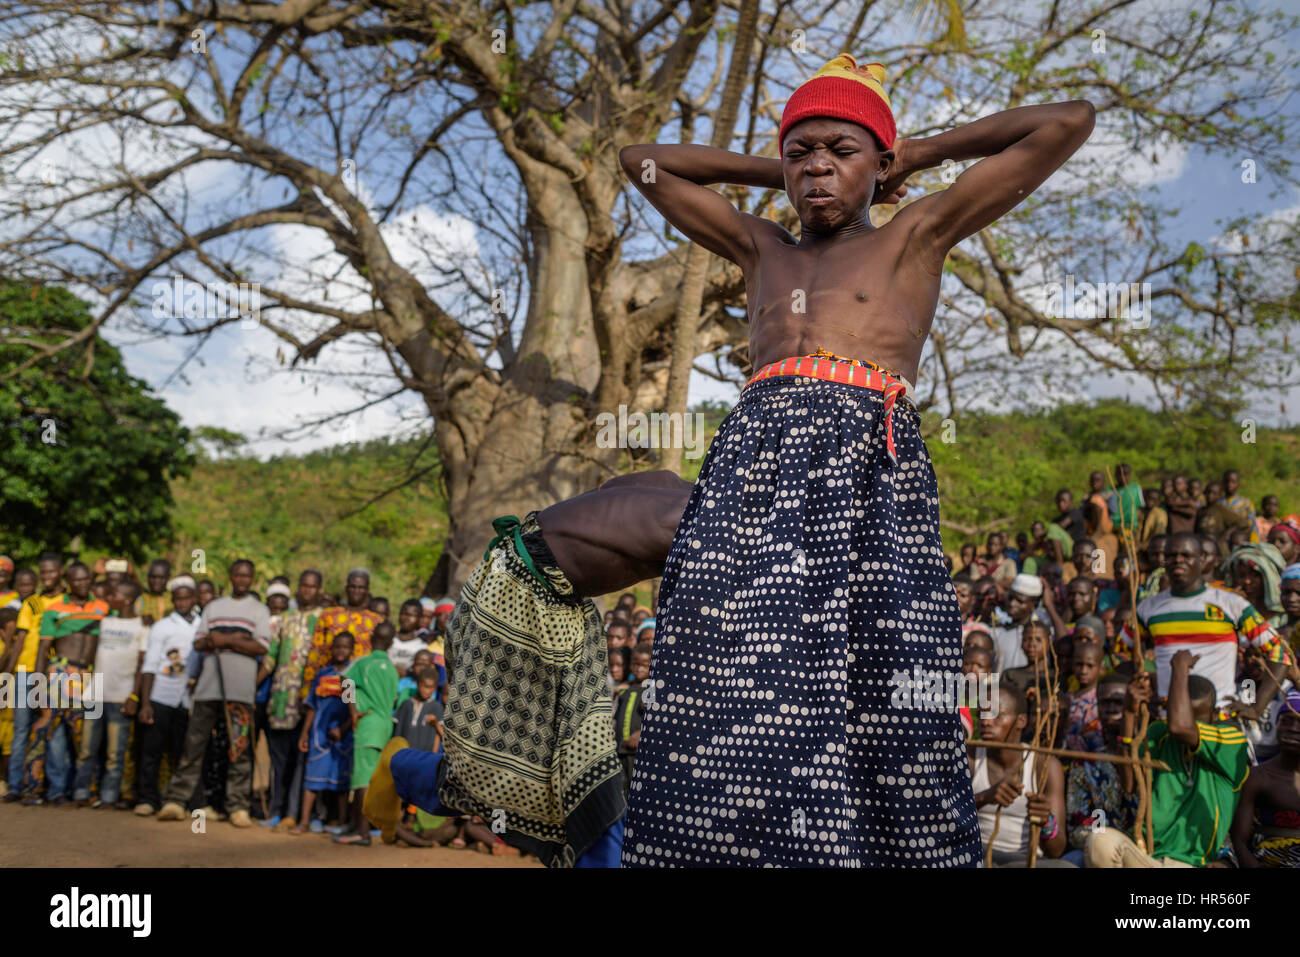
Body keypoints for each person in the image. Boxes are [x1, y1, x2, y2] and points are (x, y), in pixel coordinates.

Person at [615, 53, 1095, 865]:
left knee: (885, 678)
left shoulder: (918, 230)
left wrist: (917, 151)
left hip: (866, 466)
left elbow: (1068, 121)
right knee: (723, 665)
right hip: (755, 467)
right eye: (803, 154)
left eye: (841, 151)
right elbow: (643, 164)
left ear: (879, 161)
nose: (818, 170)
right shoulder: (761, 244)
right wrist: (783, 159)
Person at [364, 470, 691, 866]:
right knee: (519, 775)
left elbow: (619, 487)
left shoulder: (682, 492)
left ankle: (403, 770)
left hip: (562, 608)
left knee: (572, 775)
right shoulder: (704, 519)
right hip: (515, 593)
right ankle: (400, 768)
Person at [1086, 653, 1249, 867]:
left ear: (1215, 716)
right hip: (1149, 859)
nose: (1187, 722)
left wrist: (1179, 668)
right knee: (1099, 840)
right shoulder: (1159, 733)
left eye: (1196, 718)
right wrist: (1128, 712)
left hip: (1194, 864)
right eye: (1176, 711)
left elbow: (1180, 726)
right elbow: (1130, 784)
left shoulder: (1230, 741)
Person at [155, 559, 271, 828]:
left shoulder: (259, 610)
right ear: (231, 576)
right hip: (209, 687)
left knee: (238, 748)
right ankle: (177, 800)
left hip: (240, 690)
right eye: (238, 574)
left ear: (252, 579)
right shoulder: (215, 607)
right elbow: (198, 641)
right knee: (194, 744)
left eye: (247, 576)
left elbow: (261, 646)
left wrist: (227, 641)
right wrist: (210, 641)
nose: (242, 579)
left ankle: (238, 805)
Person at [1123, 532, 1289, 712]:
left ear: (1201, 559)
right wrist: (1148, 680)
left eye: (1186, 555)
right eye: (1171, 556)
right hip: (1167, 720)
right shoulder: (1148, 608)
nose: (1178, 560)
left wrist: (1257, 708)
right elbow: (1119, 652)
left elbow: (1279, 652)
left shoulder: (1232, 604)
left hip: (1220, 722)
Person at [22, 562, 108, 805]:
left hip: (91, 677)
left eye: (85, 579)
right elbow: (42, 649)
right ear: (68, 582)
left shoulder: (102, 608)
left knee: (87, 736)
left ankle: (87, 792)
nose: (81, 584)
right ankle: (35, 790)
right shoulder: (54, 609)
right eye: (76, 580)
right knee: (44, 731)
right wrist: (37, 688)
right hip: (59, 672)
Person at [970, 684, 1072, 867]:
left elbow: (1057, 850)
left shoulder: (1044, 766)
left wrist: (1046, 821)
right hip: (976, 853)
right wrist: (985, 797)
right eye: (981, 715)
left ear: (1021, 721)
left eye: (995, 714)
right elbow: (942, 819)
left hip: (1025, 860)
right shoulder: (969, 758)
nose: (985, 722)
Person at [259, 569, 325, 831]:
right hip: (280, 699)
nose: (307, 590)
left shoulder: (324, 619)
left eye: (312, 586)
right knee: (279, 760)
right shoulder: (284, 619)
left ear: (319, 590)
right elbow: (271, 658)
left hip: (309, 703)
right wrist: (251, 688)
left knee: (304, 760)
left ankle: (297, 813)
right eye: (303, 586)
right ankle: (277, 810)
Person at [73, 580, 148, 809]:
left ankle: (109, 796)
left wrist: (134, 696)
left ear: (126, 600)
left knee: (115, 753)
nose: (109, 597)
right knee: (87, 749)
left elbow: (142, 665)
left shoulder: (143, 627)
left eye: (114, 594)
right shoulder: (104, 622)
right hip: (95, 693)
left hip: (121, 697)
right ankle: (81, 793)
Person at [135, 576, 200, 815]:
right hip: (161, 696)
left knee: (186, 753)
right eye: (178, 598)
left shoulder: (202, 626)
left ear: (193, 598)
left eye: (186, 597)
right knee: (151, 751)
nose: (182, 602)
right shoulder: (162, 626)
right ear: (172, 600)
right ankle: (147, 799)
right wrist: (145, 703)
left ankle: (186, 801)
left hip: (189, 700)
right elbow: (149, 665)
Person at [3, 554, 63, 802]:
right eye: (44, 572)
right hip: (25, 673)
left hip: (55, 673)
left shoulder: (66, 602)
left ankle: (56, 788)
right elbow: (21, 642)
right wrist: (8, 672)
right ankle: (16, 785)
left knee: (54, 732)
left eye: (51, 572)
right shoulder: (33, 604)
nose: (47, 577)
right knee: (21, 730)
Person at [333, 622, 399, 846]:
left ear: (371, 639)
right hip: (384, 726)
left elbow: (344, 680)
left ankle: (362, 833)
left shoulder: (364, 662)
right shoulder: (392, 669)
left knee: (363, 780)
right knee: (368, 776)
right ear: (390, 643)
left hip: (367, 724)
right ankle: (356, 826)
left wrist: (351, 710)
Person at [1064, 672, 1138, 859]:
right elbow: (1078, 825)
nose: (1111, 708)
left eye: (1119, 702)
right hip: (1099, 850)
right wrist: (1103, 840)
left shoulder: (1150, 758)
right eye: (1105, 703)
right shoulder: (1085, 763)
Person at [292, 631, 354, 836]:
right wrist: (305, 733)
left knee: (340, 783)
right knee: (311, 779)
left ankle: (342, 822)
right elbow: (312, 706)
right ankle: (304, 822)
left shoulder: (352, 675)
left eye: (345, 647)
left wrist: (343, 729)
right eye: (337, 647)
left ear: (351, 650)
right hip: (319, 735)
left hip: (342, 738)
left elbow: (353, 708)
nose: (340, 651)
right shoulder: (323, 674)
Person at [1230, 691, 1300, 867]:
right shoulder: (1258, 777)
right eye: (1286, 720)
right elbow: (1239, 842)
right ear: (1276, 725)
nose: (1293, 728)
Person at [302, 569, 380, 707]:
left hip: (359, 692)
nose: (356, 591)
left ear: (367, 591)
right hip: (328, 689)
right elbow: (316, 654)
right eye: (353, 587)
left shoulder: (375, 621)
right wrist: (307, 693)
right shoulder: (329, 616)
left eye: (361, 587)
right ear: (346, 589)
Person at [612, 643, 652, 799]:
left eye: (644, 665)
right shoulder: (625, 688)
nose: (639, 668)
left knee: (635, 792)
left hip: (637, 752)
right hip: (620, 749)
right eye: (636, 664)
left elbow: (652, 716)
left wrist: (642, 735)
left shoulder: (650, 687)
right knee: (621, 791)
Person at [989, 574, 1045, 672]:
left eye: (1019, 601)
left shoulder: (1040, 633)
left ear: (1034, 604)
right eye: (1010, 598)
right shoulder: (996, 631)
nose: (1012, 604)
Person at [1063, 642, 1105, 753]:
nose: (1083, 671)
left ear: (1101, 667)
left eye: (1090, 665)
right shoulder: (1066, 699)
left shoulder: (1102, 700)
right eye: (1079, 664)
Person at [394, 667, 443, 753]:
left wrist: (435, 723)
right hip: (404, 753)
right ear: (417, 684)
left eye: (430, 687)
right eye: (424, 686)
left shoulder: (437, 707)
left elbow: (438, 736)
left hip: (424, 756)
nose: (426, 691)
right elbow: (397, 731)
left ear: (435, 688)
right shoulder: (407, 704)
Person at [389, 599, 428, 676]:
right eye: (404, 614)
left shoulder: (422, 647)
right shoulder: (388, 639)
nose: (406, 618)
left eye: (411, 615)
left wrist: (407, 673)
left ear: (419, 619)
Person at [1218, 470, 1257, 538]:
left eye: (1233, 482)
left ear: (1238, 483)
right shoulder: (1218, 503)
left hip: (1241, 538)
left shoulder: (1246, 503)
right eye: (1227, 481)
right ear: (1223, 483)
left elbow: (1250, 523)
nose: (1229, 484)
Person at [138, 560, 171, 626]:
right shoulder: (139, 598)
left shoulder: (174, 599)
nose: (156, 581)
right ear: (148, 577)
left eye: (161, 577)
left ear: (168, 577)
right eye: (153, 577)